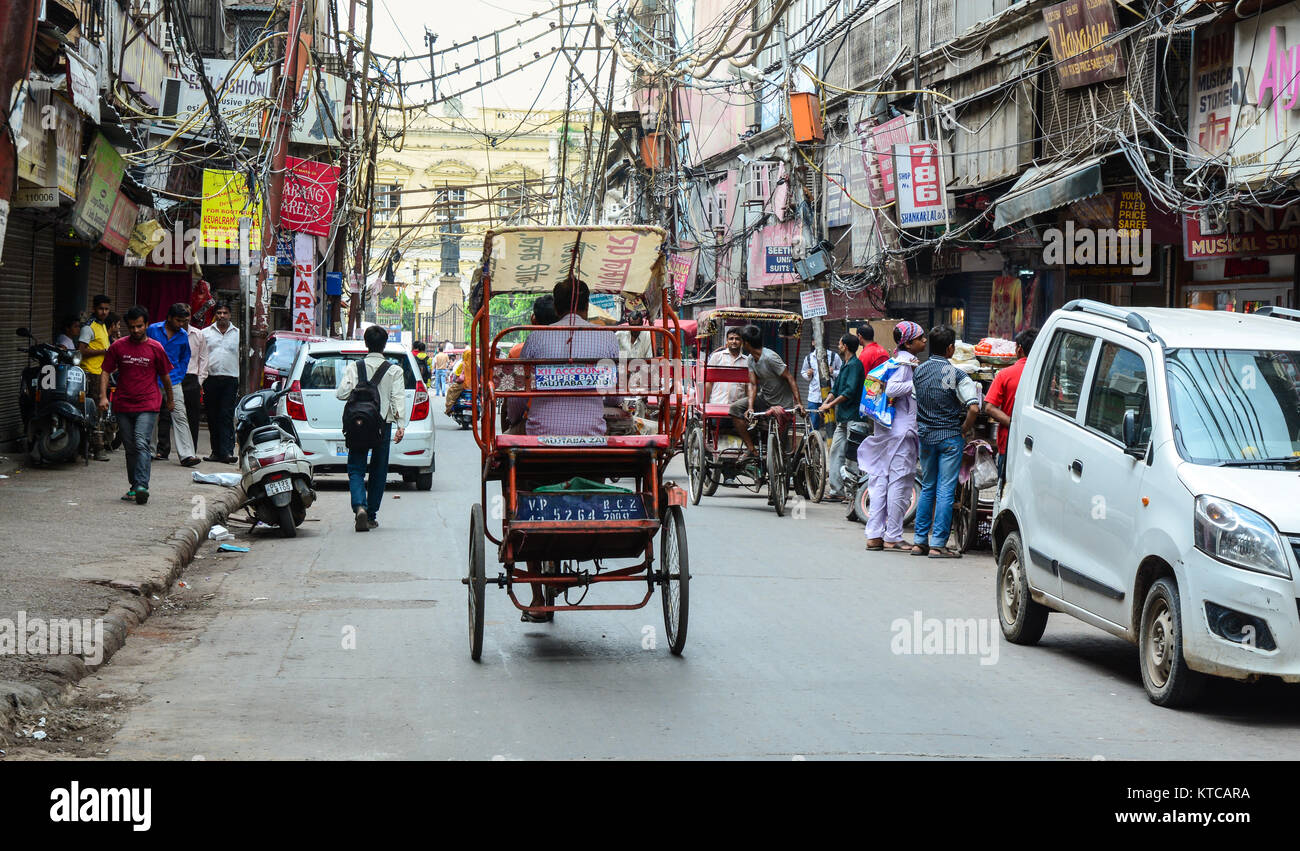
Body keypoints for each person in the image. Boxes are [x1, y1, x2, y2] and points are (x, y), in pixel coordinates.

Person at [508, 279, 619, 436]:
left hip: (539, 432)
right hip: (592, 432)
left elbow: (517, 398)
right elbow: (615, 397)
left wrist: (514, 419)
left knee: (501, 448)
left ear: (556, 308)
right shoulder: (608, 337)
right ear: (587, 306)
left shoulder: (535, 338)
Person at [911, 325, 981, 559]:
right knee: (945, 490)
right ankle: (938, 544)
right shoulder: (953, 374)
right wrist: (964, 428)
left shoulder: (918, 371)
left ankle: (919, 541)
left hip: (926, 437)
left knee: (928, 487)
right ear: (950, 348)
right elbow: (973, 406)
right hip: (950, 437)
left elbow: (916, 399)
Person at [860, 321, 926, 552]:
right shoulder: (906, 364)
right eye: (920, 338)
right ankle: (893, 536)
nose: (924, 341)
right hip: (901, 432)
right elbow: (893, 389)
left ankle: (874, 535)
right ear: (908, 343)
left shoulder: (894, 361)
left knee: (879, 480)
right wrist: (917, 382)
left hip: (886, 429)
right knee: (900, 482)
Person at [98, 307, 174, 505]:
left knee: (141, 442)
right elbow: (105, 371)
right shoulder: (118, 347)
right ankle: (134, 486)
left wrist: (170, 399)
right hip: (123, 404)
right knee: (130, 447)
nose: (136, 330)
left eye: (139, 326)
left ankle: (142, 485)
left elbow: (166, 377)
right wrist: (103, 397)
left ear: (146, 325)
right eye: (131, 327)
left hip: (148, 403)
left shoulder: (156, 348)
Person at [336, 325, 407, 532]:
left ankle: (359, 506)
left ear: (366, 344)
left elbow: (341, 394)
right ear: (385, 344)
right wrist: (401, 425)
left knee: (356, 468)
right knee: (378, 470)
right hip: (381, 427)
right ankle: (371, 514)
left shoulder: (354, 368)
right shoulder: (394, 370)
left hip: (357, 424)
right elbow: (397, 399)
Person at [729, 324, 802, 460]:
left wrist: (799, 403)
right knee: (735, 409)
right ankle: (751, 449)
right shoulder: (751, 359)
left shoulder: (770, 358)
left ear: (747, 343)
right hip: (765, 399)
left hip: (782, 404)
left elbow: (790, 378)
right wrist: (750, 407)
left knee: (780, 449)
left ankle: (783, 470)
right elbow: (752, 384)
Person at [983, 328, 1037, 491]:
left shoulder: (1004, 374)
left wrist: (1013, 423)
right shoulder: (1046, 375)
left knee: (1005, 490)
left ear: (1019, 349)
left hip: (1009, 442)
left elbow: (989, 407)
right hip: (1039, 445)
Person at [147, 303, 199, 467]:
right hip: (153, 379)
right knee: (151, 415)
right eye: (178, 320)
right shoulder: (153, 330)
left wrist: (179, 375)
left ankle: (187, 455)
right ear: (169, 317)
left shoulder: (183, 336)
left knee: (180, 414)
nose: (181, 324)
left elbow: (185, 358)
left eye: (184, 321)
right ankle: (149, 451)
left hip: (174, 379)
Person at [817, 335, 866, 501]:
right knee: (836, 451)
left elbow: (849, 392)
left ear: (844, 346)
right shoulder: (846, 365)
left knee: (851, 456)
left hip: (854, 417)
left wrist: (830, 406)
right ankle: (837, 490)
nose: (838, 345)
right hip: (843, 418)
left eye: (839, 343)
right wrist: (825, 402)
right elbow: (835, 389)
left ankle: (851, 493)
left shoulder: (855, 366)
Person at [201, 301, 240, 463]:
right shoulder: (205, 333)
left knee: (226, 415)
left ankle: (227, 452)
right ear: (215, 315)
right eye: (219, 313)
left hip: (230, 380)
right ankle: (215, 452)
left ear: (230, 315)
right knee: (212, 416)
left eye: (225, 313)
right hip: (210, 379)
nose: (222, 316)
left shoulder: (238, 334)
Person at [78, 295, 113, 461]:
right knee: (94, 412)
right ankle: (97, 449)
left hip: (101, 373)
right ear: (94, 309)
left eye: (106, 309)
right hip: (90, 374)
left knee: (100, 411)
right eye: (101, 308)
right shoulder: (88, 327)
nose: (104, 312)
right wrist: (103, 352)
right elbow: (82, 350)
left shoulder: (103, 326)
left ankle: (96, 447)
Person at [802, 344, 842, 436]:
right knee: (813, 424)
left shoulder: (833, 356)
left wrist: (833, 372)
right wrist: (808, 374)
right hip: (814, 397)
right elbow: (803, 372)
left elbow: (842, 371)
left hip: (829, 396)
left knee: (830, 424)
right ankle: (813, 445)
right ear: (812, 342)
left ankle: (830, 444)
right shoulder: (809, 358)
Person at [183, 311, 207, 450]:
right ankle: (163, 449)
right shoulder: (172, 333)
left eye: (186, 316)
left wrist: (200, 380)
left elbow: (204, 358)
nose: (184, 320)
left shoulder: (198, 334)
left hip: (192, 377)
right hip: (174, 377)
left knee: (192, 415)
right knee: (166, 415)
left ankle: (192, 448)